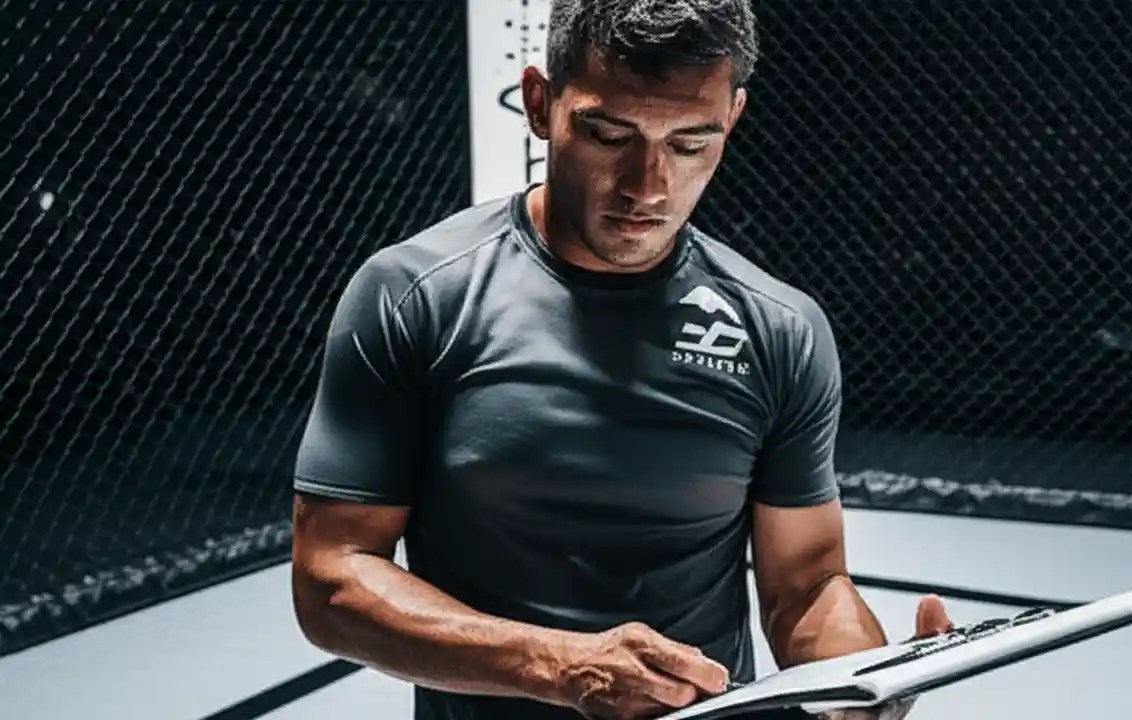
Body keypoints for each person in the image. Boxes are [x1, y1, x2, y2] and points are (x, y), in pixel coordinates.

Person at [289, 1, 953, 718]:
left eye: (691, 143)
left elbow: (807, 586)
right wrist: (557, 666)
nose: (647, 186)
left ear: (732, 118)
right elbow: (332, 579)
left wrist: (858, 681)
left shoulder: (779, 329)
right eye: (608, 135)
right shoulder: (413, 296)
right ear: (539, 103)